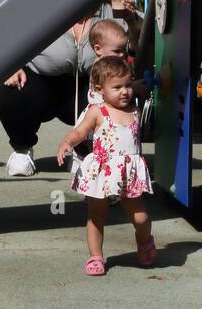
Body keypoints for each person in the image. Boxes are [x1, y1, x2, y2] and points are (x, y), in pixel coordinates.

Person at [0, 0, 141, 176]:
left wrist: (131, 18)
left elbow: (137, 46)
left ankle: (84, 151)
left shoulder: (114, 6)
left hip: (88, 89)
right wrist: (13, 65)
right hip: (42, 85)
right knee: (12, 89)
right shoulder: (42, 6)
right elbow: (8, 32)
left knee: (116, 91)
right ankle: (22, 148)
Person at [56, 55, 155, 276]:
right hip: (102, 171)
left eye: (128, 85)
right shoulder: (97, 111)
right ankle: (95, 256)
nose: (125, 91)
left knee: (141, 217)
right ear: (100, 89)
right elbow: (80, 132)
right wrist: (67, 143)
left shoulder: (134, 109)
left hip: (129, 172)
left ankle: (145, 240)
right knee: (96, 215)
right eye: (117, 87)